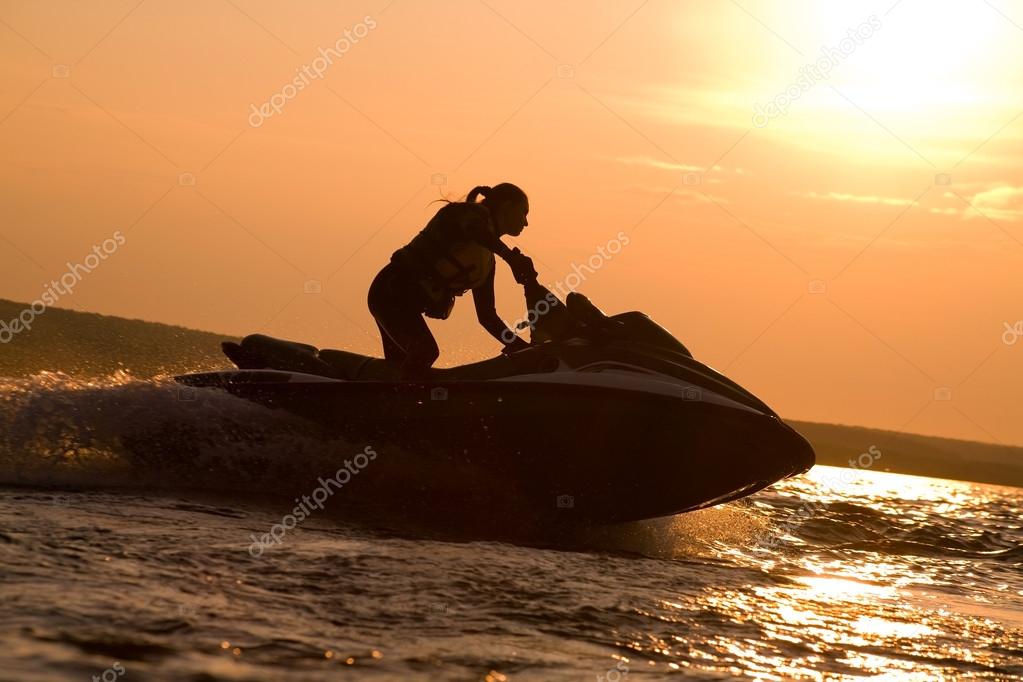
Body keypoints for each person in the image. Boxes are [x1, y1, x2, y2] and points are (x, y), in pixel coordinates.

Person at [367, 183, 537, 378]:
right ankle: (403, 403)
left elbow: (487, 317)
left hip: (402, 303)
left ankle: (390, 398)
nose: (526, 223)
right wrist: (510, 257)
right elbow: (475, 230)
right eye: (524, 213)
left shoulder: (487, 262)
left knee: (399, 365)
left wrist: (520, 347)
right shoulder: (466, 215)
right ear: (507, 207)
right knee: (425, 351)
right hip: (389, 292)